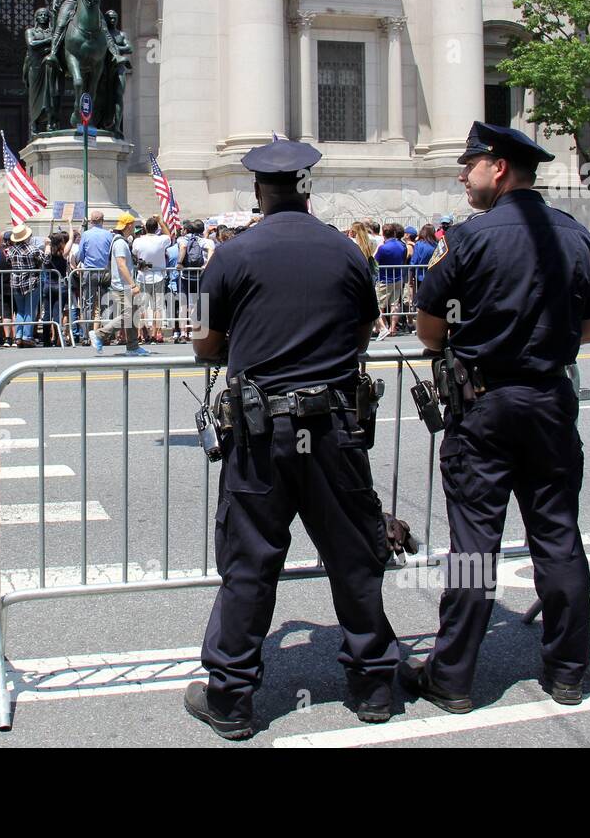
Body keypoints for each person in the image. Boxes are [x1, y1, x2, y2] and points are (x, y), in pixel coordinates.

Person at [183, 137, 395, 741]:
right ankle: (375, 685)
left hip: (260, 433)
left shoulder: (230, 255)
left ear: (258, 190)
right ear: (308, 187)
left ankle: (231, 698)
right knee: (354, 557)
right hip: (333, 429)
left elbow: (204, 343)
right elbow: (363, 331)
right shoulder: (348, 252)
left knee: (250, 563)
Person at [410, 121, 590, 713]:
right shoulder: (575, 236)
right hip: (550, 403)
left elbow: (428, 326)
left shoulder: (468, 238)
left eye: (469, 164)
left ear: (497, 168)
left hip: (485, 406)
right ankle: (569, 671)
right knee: (558, 537)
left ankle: (453, 679)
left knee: (474, 544)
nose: (462, 176)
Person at [90, 213, 148, 356]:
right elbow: (121, 265)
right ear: (129, 226)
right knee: (128, 316)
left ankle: (133, 347)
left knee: (132, 315)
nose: (134, 228)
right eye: (133, 225)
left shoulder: (119, 241)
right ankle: (100, 334)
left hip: (122, 284)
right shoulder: (120, 243)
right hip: (123, 286)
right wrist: (132, 284)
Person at [72, 211, 114, 336]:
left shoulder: (86, 234)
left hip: (90, 271)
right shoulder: (108, 235)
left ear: (91, 221)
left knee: (88, 304)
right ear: (103, 221)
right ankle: (105, 334)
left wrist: (86, 262)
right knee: (106, 303)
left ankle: (86, 335)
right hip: (105, 271)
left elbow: (80, 255)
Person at [5, 223, 47, 347]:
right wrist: (48, 247)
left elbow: (8, 261)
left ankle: (18, 336)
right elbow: (46, 259)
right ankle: (27, 336)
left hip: (16, 282)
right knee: (30, 309)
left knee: (20, 310)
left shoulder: (11, 250)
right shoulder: (32, 249)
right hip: (31, 281)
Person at [131, 216, 171, 344]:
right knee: (157, 308)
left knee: (141, 307)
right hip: (158, 275)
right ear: (157, 228)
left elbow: (135, 253)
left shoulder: (138, 241)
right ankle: (155, 334)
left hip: (143, 276)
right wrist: (161, 221)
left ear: (145, 228)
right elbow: (169, 235)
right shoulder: (161, 240)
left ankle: (141, 334)